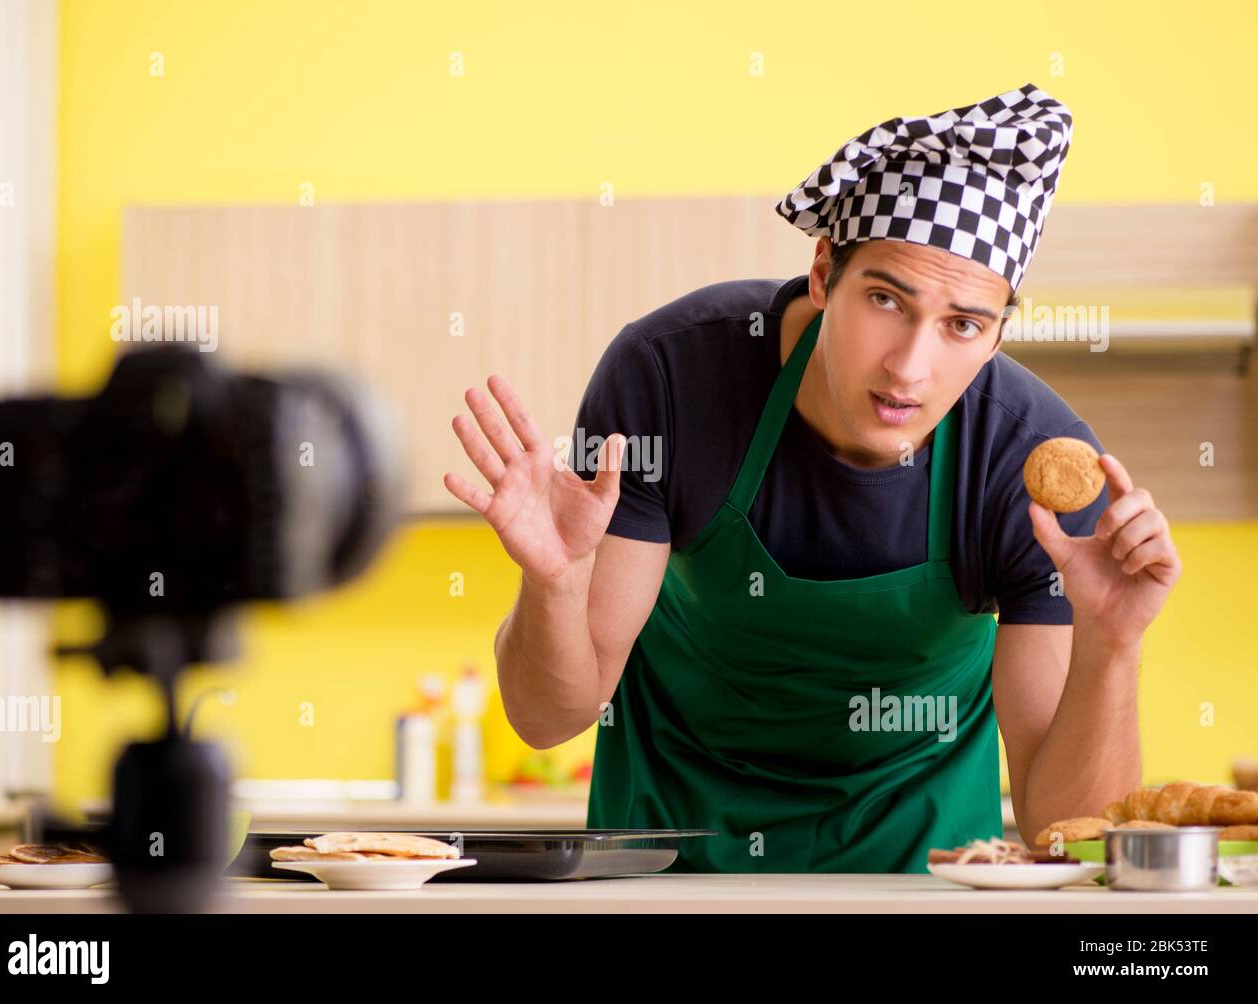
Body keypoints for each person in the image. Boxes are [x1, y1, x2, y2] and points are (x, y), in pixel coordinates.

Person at [444, 83, 1182, 872]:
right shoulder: (672, 377)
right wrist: (554, 583)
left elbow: (1060, 830)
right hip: (670, 866)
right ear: (825, 271)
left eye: (963, 325)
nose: (909, 367)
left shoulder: (1027, 463)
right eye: (885, 300)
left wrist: (1112, 644)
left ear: (1000, 331)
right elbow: (548, 718)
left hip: (921, 874)